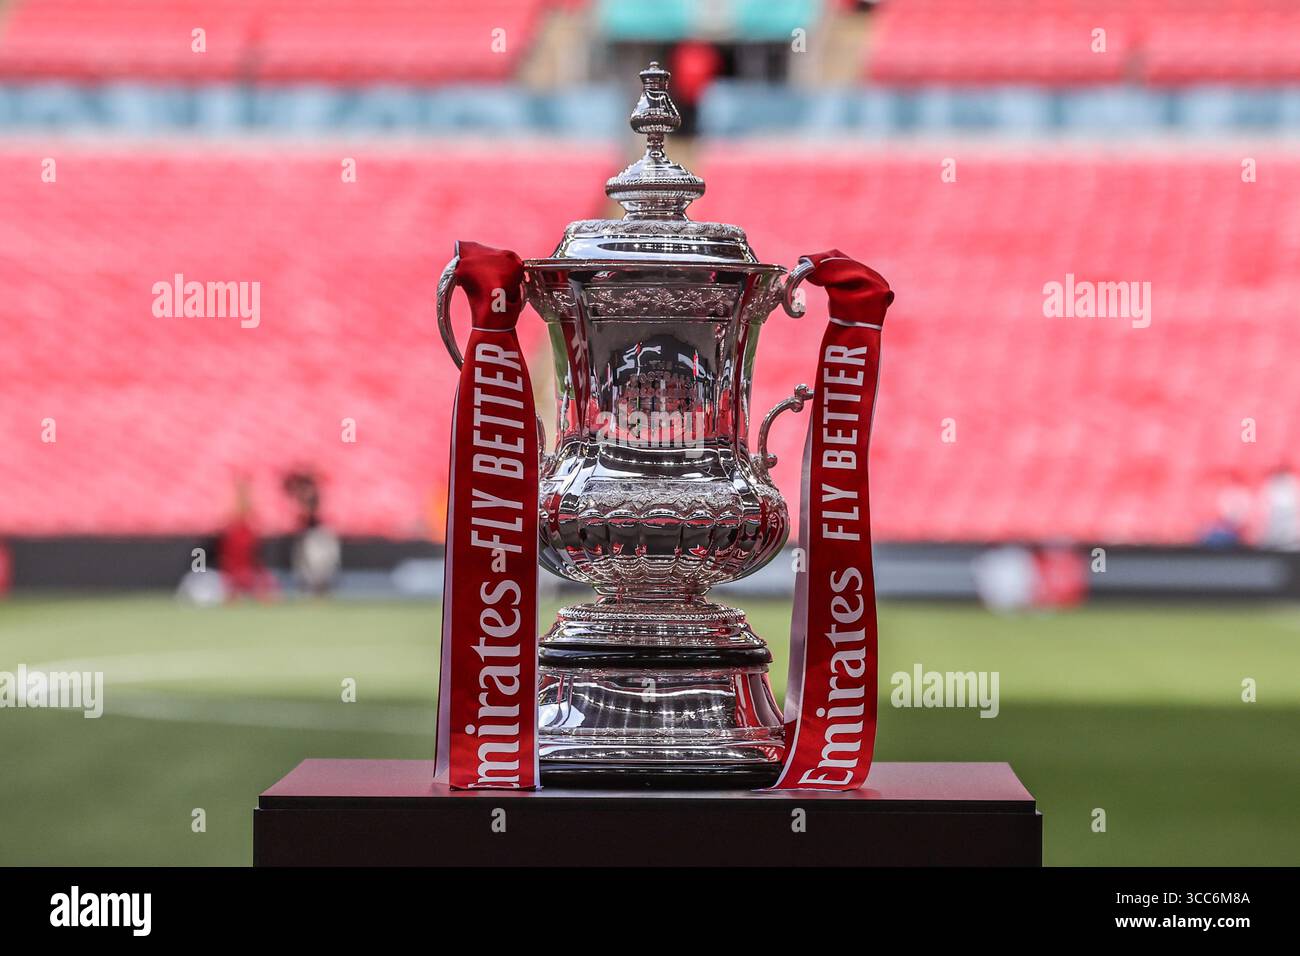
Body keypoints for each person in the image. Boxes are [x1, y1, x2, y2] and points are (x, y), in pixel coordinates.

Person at [282, 469, 341, 594]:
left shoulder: (310, 496)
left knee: (317, 567)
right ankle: (313, 589)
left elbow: (311, 513)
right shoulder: (305, 497)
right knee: (308, 568)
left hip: (314, 535)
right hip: (310, 535)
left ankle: (319, 589)